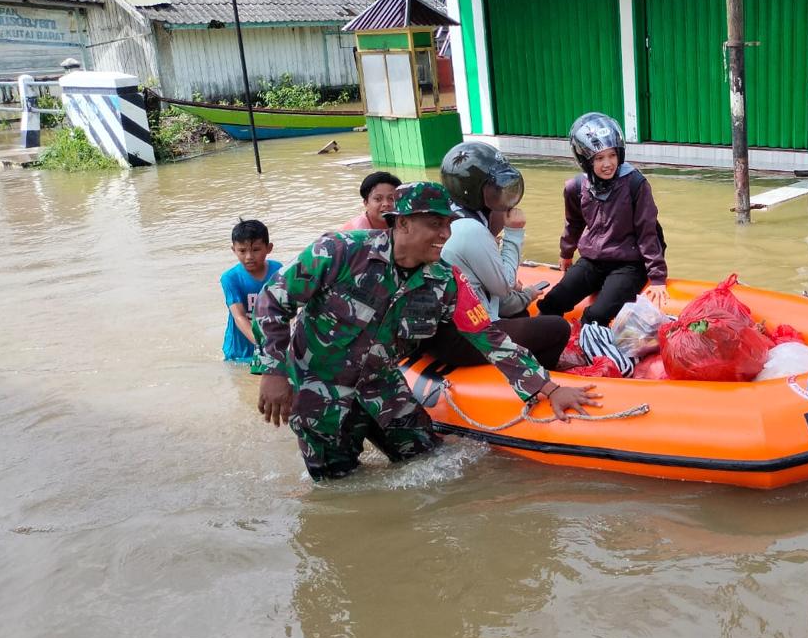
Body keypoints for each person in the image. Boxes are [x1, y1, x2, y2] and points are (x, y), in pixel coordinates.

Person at [253, 182, 601, 481]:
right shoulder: (339, 251)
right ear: (402, 224)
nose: (445, 235)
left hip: (382, 385)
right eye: (435, 224)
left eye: (448, 224)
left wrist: (548, 388)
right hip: (319, 388)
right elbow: (273, 300)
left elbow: (489, 337)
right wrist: (273, 370)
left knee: (434, 468)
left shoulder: (445, 280)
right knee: (338, 488)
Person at [428, 141, 571, 369]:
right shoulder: (470, 229)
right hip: (462, 335)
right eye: (495, 192)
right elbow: (504, 286)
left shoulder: (454, 217)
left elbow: (499, 298)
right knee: (558, 328)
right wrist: (514, 232)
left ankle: (519, 365)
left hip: (454, 327)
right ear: (474, 192)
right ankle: (544, 379)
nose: (503, 200)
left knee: (520, 312)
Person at [537, 112, 668, 326]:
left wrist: (657, 277)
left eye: (612, 156)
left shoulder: (636, 184)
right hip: (592, 261)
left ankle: (589, 350)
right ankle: (549, 345)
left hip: (629, 264)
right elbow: (574, 223)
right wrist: (566, 253)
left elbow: (648, 231)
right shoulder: (576, 187)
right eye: (599, 158)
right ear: (586, 161)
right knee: (552, 302)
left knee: (596, 316)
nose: (607, 164)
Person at [221, 219, 281, 362]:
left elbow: (286, 307)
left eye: (256, 250)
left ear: (269, 248)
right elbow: (239, 316)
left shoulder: (277, 270)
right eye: (242, 251)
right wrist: (262, 345)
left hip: (272, 344)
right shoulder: (230, 278)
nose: (249, 257)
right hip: (240, 352)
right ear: (234, 250)